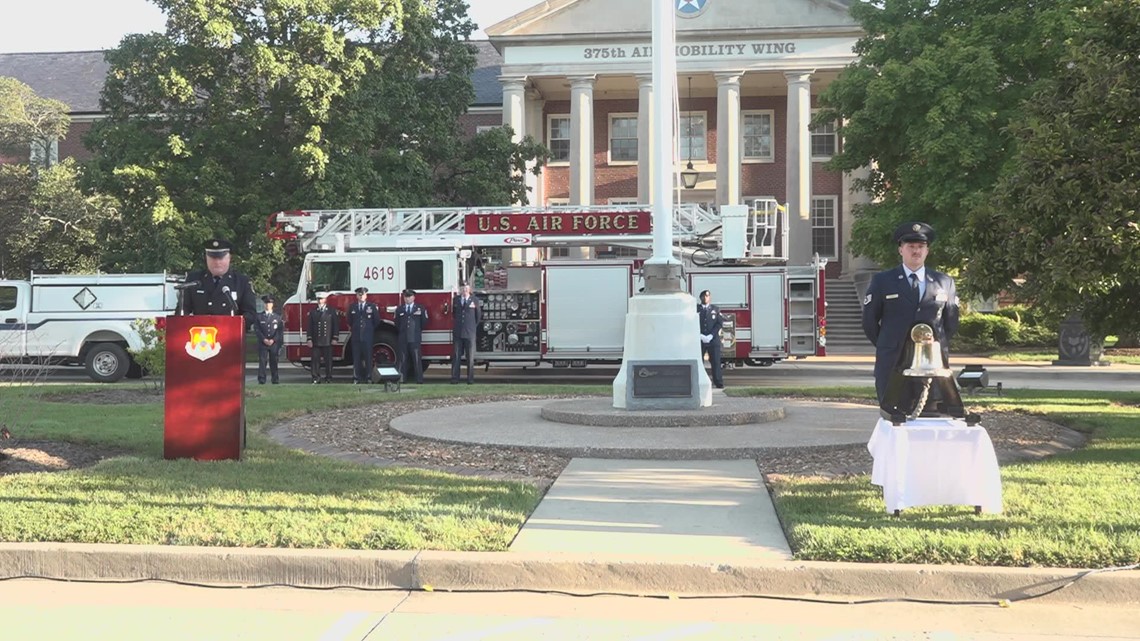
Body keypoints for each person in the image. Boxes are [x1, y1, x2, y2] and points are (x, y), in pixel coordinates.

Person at [862, 221, 960, 404]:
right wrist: (890, 343)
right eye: (911, 246)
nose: (916, 251)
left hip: (932, 364)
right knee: (894, 419)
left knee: (931, 418)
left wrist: (934, 345)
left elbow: (951, 322)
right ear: (901, 250)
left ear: (927, 250)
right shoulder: (883, 281)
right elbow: (869, 322)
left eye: (921, 246)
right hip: (893, 364)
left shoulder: (944, 282)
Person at [182, 238, 258, 324]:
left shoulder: (242, 282)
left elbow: (250, 314)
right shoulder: (193, 279)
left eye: (221, 258)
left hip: (230, 335)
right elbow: (182, 310)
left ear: (229, 258)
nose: (217, 262)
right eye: (213, 258)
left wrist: (235, 323)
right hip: (200, 334)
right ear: (206, 258)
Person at [394, 288, 428, 384]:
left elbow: (424, 322)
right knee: (402, 359)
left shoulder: (420, 308)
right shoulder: (399, 309)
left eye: (409, 296)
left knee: (417, 359)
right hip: (403, 338)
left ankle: (419, 379)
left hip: (415, 338)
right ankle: (402, 379)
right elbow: (397, 323)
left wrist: (416, 332)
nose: (407, 299)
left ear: (413, 297)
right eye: (406, 297)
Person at [347, 286, 381, 384]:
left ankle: (369, 377)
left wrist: (369, 330)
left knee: (368, 358)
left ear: (366, 296)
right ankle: (356, 377)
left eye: (363, 294)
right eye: (359, 295)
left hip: (367, 337)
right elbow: (350, 320)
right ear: (357, 296)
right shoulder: (352, 307)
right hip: (356, 337)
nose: (361, 296)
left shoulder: (371, 307)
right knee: (356, 358)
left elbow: (376, 321)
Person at [451, 283, 481, 385]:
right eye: (463, 289)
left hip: (470, 333)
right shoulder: (456, 300)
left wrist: (472, 328)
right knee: (456, 356)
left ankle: (470, 379)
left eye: (466, 289)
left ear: (469, 290)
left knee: (470, 357)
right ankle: (455, 378)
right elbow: (454, 314)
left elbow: (478, 316)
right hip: (458, 332)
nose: (464, 291)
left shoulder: (474, 300)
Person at [307, 291, 339, 384]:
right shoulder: (313, 312)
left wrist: (335, 338)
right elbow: (309, 327)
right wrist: (309, 339)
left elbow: (335, 325)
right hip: (316, 339)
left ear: (325, 300)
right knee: (315, 361)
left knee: (328, 360)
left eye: (321, 299)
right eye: (318, 299)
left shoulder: (331, 311)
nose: (319, 301)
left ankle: (329, 377)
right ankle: (315, 377)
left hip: (327, 339)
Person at [697, 289, 725, 389]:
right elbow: (691, 323)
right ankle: (698, 381)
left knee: (716, 361)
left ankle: (718, 382)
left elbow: (719, 324)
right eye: (704, 296)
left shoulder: (715, 309)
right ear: (700, 297)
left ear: (710, 297)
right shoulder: (696, 309)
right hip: (699, 339)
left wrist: (711, 335)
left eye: (707, 296)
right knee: (699, 361)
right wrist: (700, 335)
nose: (705, 298)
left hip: (713, 340)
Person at [254, 295, 283, 385]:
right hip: (263, 343)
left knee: (273, 361)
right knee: (262, 361)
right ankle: (262, 379)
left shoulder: (277, 317)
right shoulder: (259, 316)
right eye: (266, 303)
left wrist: (273, 340)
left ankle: (275, 379)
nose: (268, 305)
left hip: (273, 343)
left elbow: (280, 331)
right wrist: (264, 339)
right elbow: (257, 329)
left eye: (270, 303)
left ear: (272, 305)